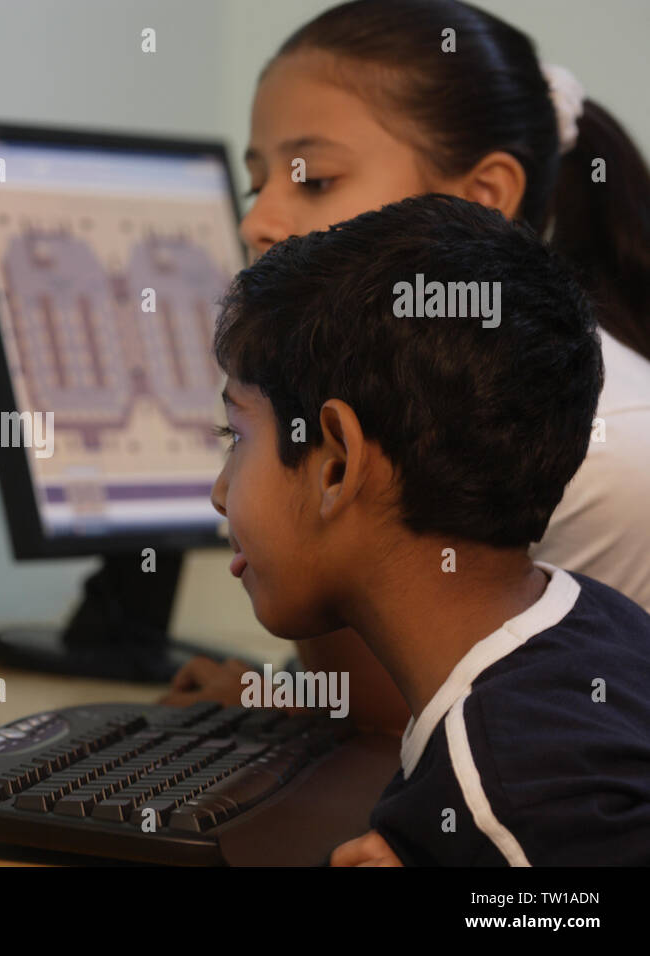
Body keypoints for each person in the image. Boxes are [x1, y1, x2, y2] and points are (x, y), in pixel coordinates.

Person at [162, 0, 650, 734]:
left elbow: (403, 728)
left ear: (483, 199)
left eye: (315, 179)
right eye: (255, 183)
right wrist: (279, 697)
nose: (256, 220)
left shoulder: (588, 442)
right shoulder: (431, 392)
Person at [209, 192, 650, 865]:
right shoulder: (596, 620)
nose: (218, 494)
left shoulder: (506, 795)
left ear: (336, 465)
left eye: (234, 435)